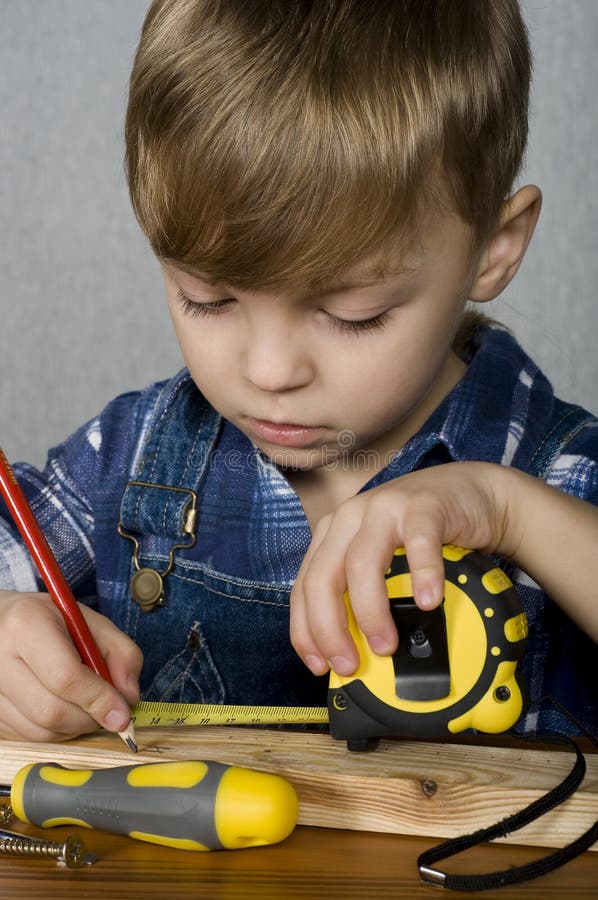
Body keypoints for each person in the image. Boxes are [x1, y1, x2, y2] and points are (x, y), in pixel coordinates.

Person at [0, 0, 596, 745]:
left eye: (354, 314)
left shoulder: (558, 470)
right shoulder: (129, 463)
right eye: (207, 299)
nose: (270, 370)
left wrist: (513, 514)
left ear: (494, 249)